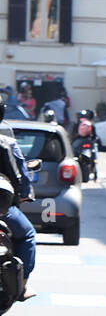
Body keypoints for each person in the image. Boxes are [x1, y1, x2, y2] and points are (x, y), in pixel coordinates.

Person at [0, 106, 36, 293]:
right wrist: (23, 195)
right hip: (3, 207)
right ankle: (22, 283)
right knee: (28, 234)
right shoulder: (7, 143)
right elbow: (20, 177)